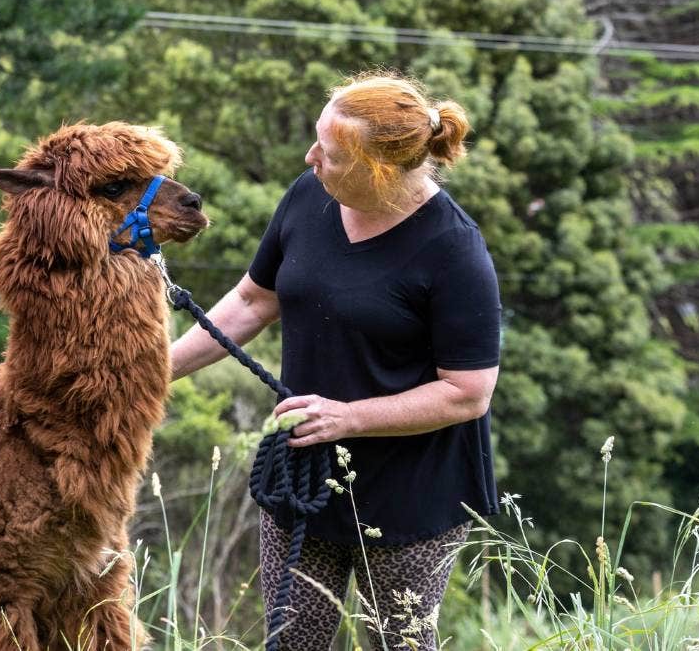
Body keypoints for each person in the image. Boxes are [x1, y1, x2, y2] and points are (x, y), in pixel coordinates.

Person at [169, 72, 501, 649]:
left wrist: (348, 418)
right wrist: (151, 371)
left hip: (411, 499)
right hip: (301, 476)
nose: (310, 156)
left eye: (329, 150)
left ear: (380, 169)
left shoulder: (454, 250)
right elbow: (253, 299)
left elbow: (467, 393)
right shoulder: (309, 194)